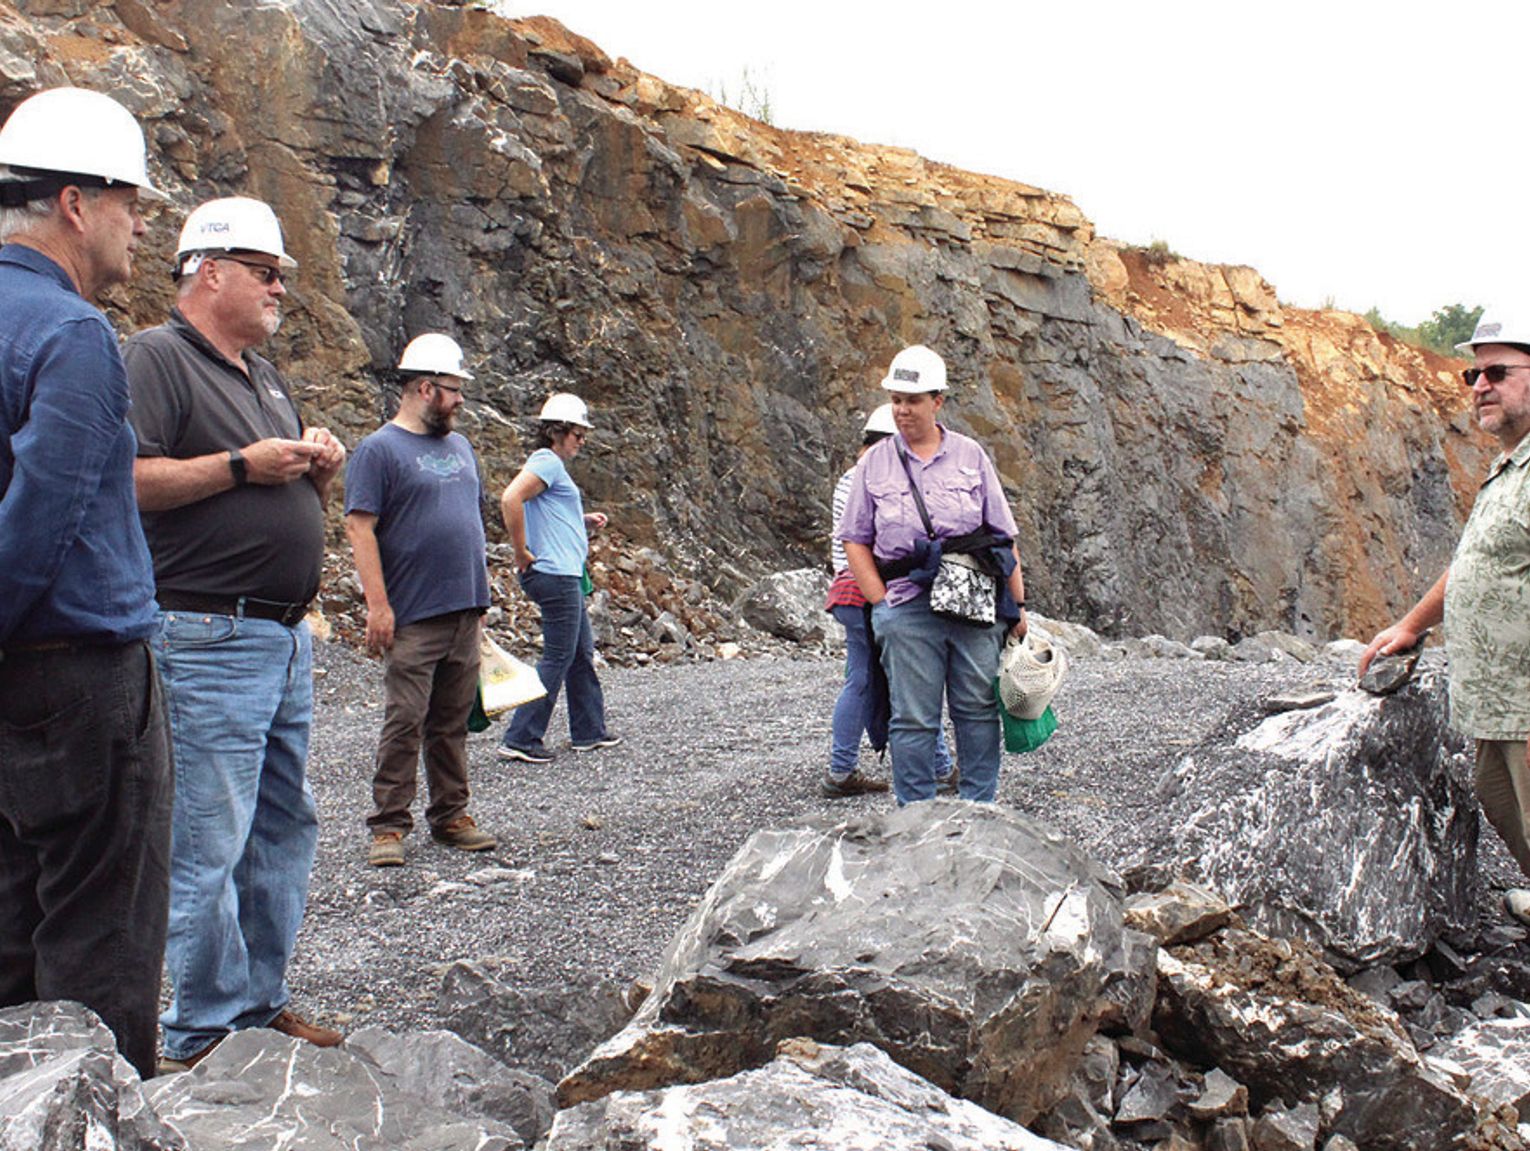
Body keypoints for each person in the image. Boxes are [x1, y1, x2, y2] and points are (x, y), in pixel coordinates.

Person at [124, 195, 347, 1073]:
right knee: (209, 837)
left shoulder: (262, 375)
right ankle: (201, 1030)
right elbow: (129, 478)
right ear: (208, 271)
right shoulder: (156, 358)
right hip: (206, 636)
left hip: (281, 640)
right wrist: (239, 466)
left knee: (282, 825)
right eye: (265, 272)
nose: (279, 288)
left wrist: (313, 468)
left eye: (282, 274)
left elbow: (285, 500)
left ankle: (256, 1003)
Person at [0, 86, 172, 1082]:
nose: (141, 224)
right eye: (129, 203)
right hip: (81, 679)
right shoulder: (71, 335)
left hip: (16, 686)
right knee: (100, 952)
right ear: (74, 202)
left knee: (12, 939)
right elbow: (42, 516)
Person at [1359, 310, 1530, 927]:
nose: (1480, 385)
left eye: (1499, 372)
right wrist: (1412, 624)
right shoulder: (1509, 467)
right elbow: (1475, 562)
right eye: (1473, 373)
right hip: (1496, 702)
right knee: (1502, 803)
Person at [840, 345, 1027, 805]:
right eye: (897, 399)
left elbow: (1003, 535)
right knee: (913, 718)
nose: (903, 410)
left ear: (937, 401)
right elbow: (855, 538)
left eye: (914, 400)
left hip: (975, 604)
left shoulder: (971, 455)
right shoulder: (875, 463)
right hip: (907, 607)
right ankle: (915, 815)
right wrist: (881, 604)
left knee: (978, 711)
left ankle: (979, 808)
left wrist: (1018, 607)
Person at [345, 334, 497, 867]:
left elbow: (471, 523)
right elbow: (360, 528)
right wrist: (378, 606)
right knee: (405, 719)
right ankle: (388, 825)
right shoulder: (378, 451)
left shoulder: (460, 447)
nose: (460, 401)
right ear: (426, 388)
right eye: (454, 391)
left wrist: (480, 599)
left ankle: (451, 814)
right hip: (412, 615)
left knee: (451, 721)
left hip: (464, 611)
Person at [824, 403, 954, 797]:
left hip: (847, 589)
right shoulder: (873, 475)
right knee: (905, 678)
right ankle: (939, 768)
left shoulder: (851, 475)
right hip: (866, 588)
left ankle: (843, 768)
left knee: (865, 679)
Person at [497, 393, 620, 763]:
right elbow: (510, 499)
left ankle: (588, 731)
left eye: (583, 435)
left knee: (580, 653)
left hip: (563, 573)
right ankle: (521, 737)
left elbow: (546, 512)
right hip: (555, 575)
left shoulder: (551, 467)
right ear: (557, 431)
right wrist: (520, 551)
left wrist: (581, 521)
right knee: (558, 656)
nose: (581, 441)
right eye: (577, 434)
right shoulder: (546, 461)